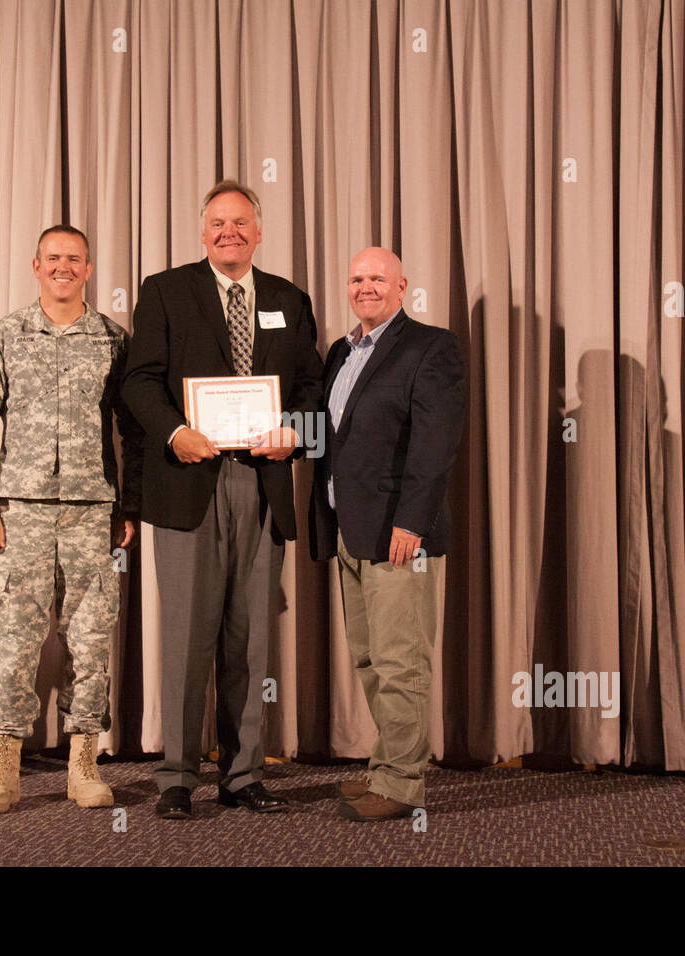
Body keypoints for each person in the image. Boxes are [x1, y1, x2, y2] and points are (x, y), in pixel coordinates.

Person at [122, 181, 324, 819]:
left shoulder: (290, 299)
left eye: (240, 222)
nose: (228, 232)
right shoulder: (165, 291)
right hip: (188, 483)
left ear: (258, 233)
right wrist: (177, 433)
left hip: (261, 483)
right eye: (217, 222)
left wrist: (293, 433)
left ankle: (243, 776)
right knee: (185, 637)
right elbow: (139, 382)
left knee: (249, 641)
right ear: (202, 231)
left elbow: (314, 386)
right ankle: (177, 777)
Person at [0, 225, 143, 813]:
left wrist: (130, 505)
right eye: (53, 259)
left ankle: (83, 764)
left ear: (89, 270)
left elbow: (132, 431)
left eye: (75, 260)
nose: (64, 267)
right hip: (21, 511)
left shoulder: (112, 340)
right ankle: (3, 769)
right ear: (35, 266)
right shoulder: (6, 336)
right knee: (13, 640)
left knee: (89, 642)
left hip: (93, 512)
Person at [308, 247, 465, 822]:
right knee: (371, 660)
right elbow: (329, 438)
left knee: (403, 663)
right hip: (349, 532)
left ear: (403, 285)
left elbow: (436, 442)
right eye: (356, 278)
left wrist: (412, 522)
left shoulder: (431, 346)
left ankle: (401, 785)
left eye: (377, 277)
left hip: (400, 536)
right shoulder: (340, 354)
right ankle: (386, 769)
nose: (365, 286)